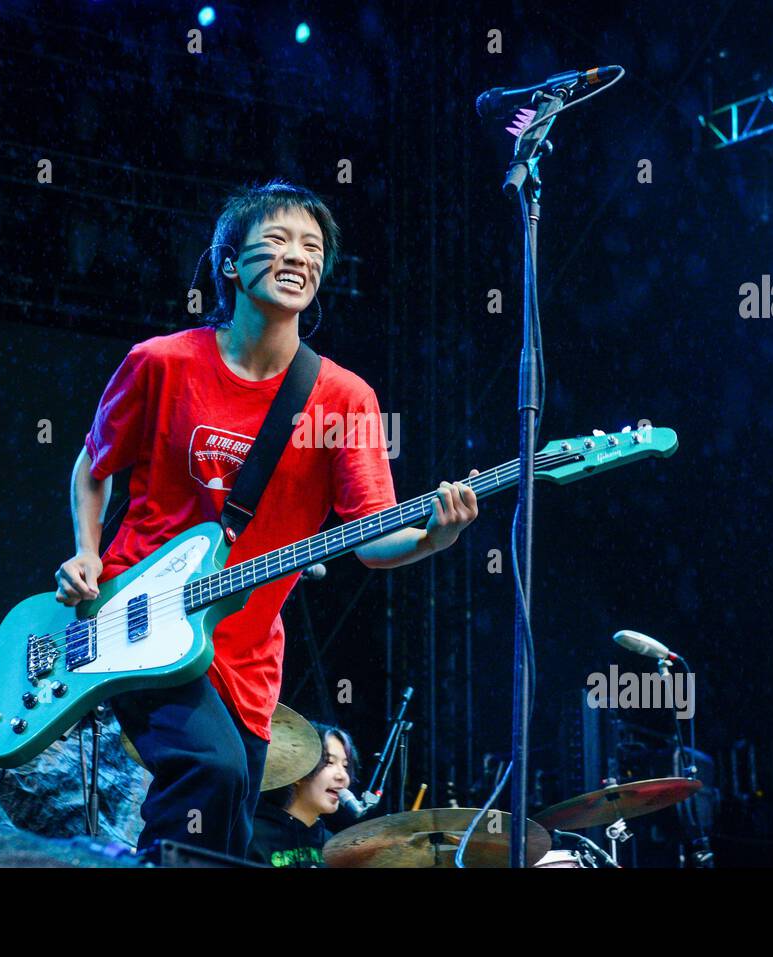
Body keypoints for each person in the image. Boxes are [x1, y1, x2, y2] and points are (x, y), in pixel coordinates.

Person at [55, 179, 479, 859]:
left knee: (230, 824)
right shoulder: (160, 362)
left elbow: (373, 538)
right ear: (229, 262)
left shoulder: (343, 397)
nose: (298, 257)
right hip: (138, 618)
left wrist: (437, 534)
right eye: (277, 240)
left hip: (247, 657)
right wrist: (87, 551)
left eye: (312, 247)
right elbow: (91, 466)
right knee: (212, 769)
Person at [249, 722, 355, 868]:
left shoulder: (333, 845)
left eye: (345, 765)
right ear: (298, 770)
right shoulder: (254, 835)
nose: (342, 775)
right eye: (329, 762)